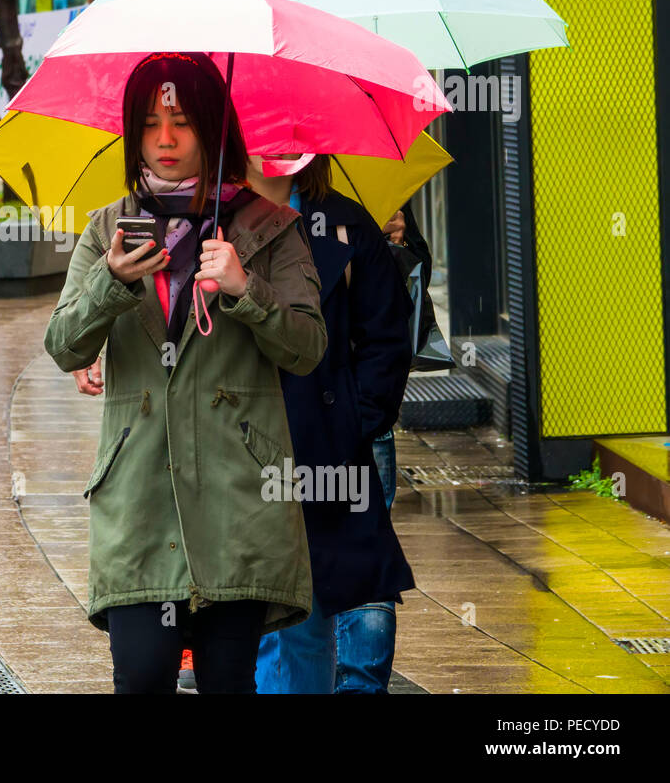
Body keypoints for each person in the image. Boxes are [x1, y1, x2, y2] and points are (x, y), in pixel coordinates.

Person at [47, 51, 327, 694]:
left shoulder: (269, 228)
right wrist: (109, 284)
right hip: (138, 499)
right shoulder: (108, 230)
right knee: (141, 677)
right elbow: (63, 344)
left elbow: (308, 348)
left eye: (181, 122)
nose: (164, 140)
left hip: (239, 499)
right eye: (148, 124)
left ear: (214, 127)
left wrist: (245, 287)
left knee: (229, 682)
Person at [246, 154, 416, 694]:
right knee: (284, 613)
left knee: (361, 590)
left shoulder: (344, 221)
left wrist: (350, 416)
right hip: (248, 450)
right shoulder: (209, 228)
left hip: (334, 444)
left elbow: (387, 334)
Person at [333, 200, 431, 693]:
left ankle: (358, 683)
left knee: (364, 556)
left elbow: (394, 329)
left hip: (352, 421)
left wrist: (361, 418)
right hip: (319, 418)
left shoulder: (357, 213)